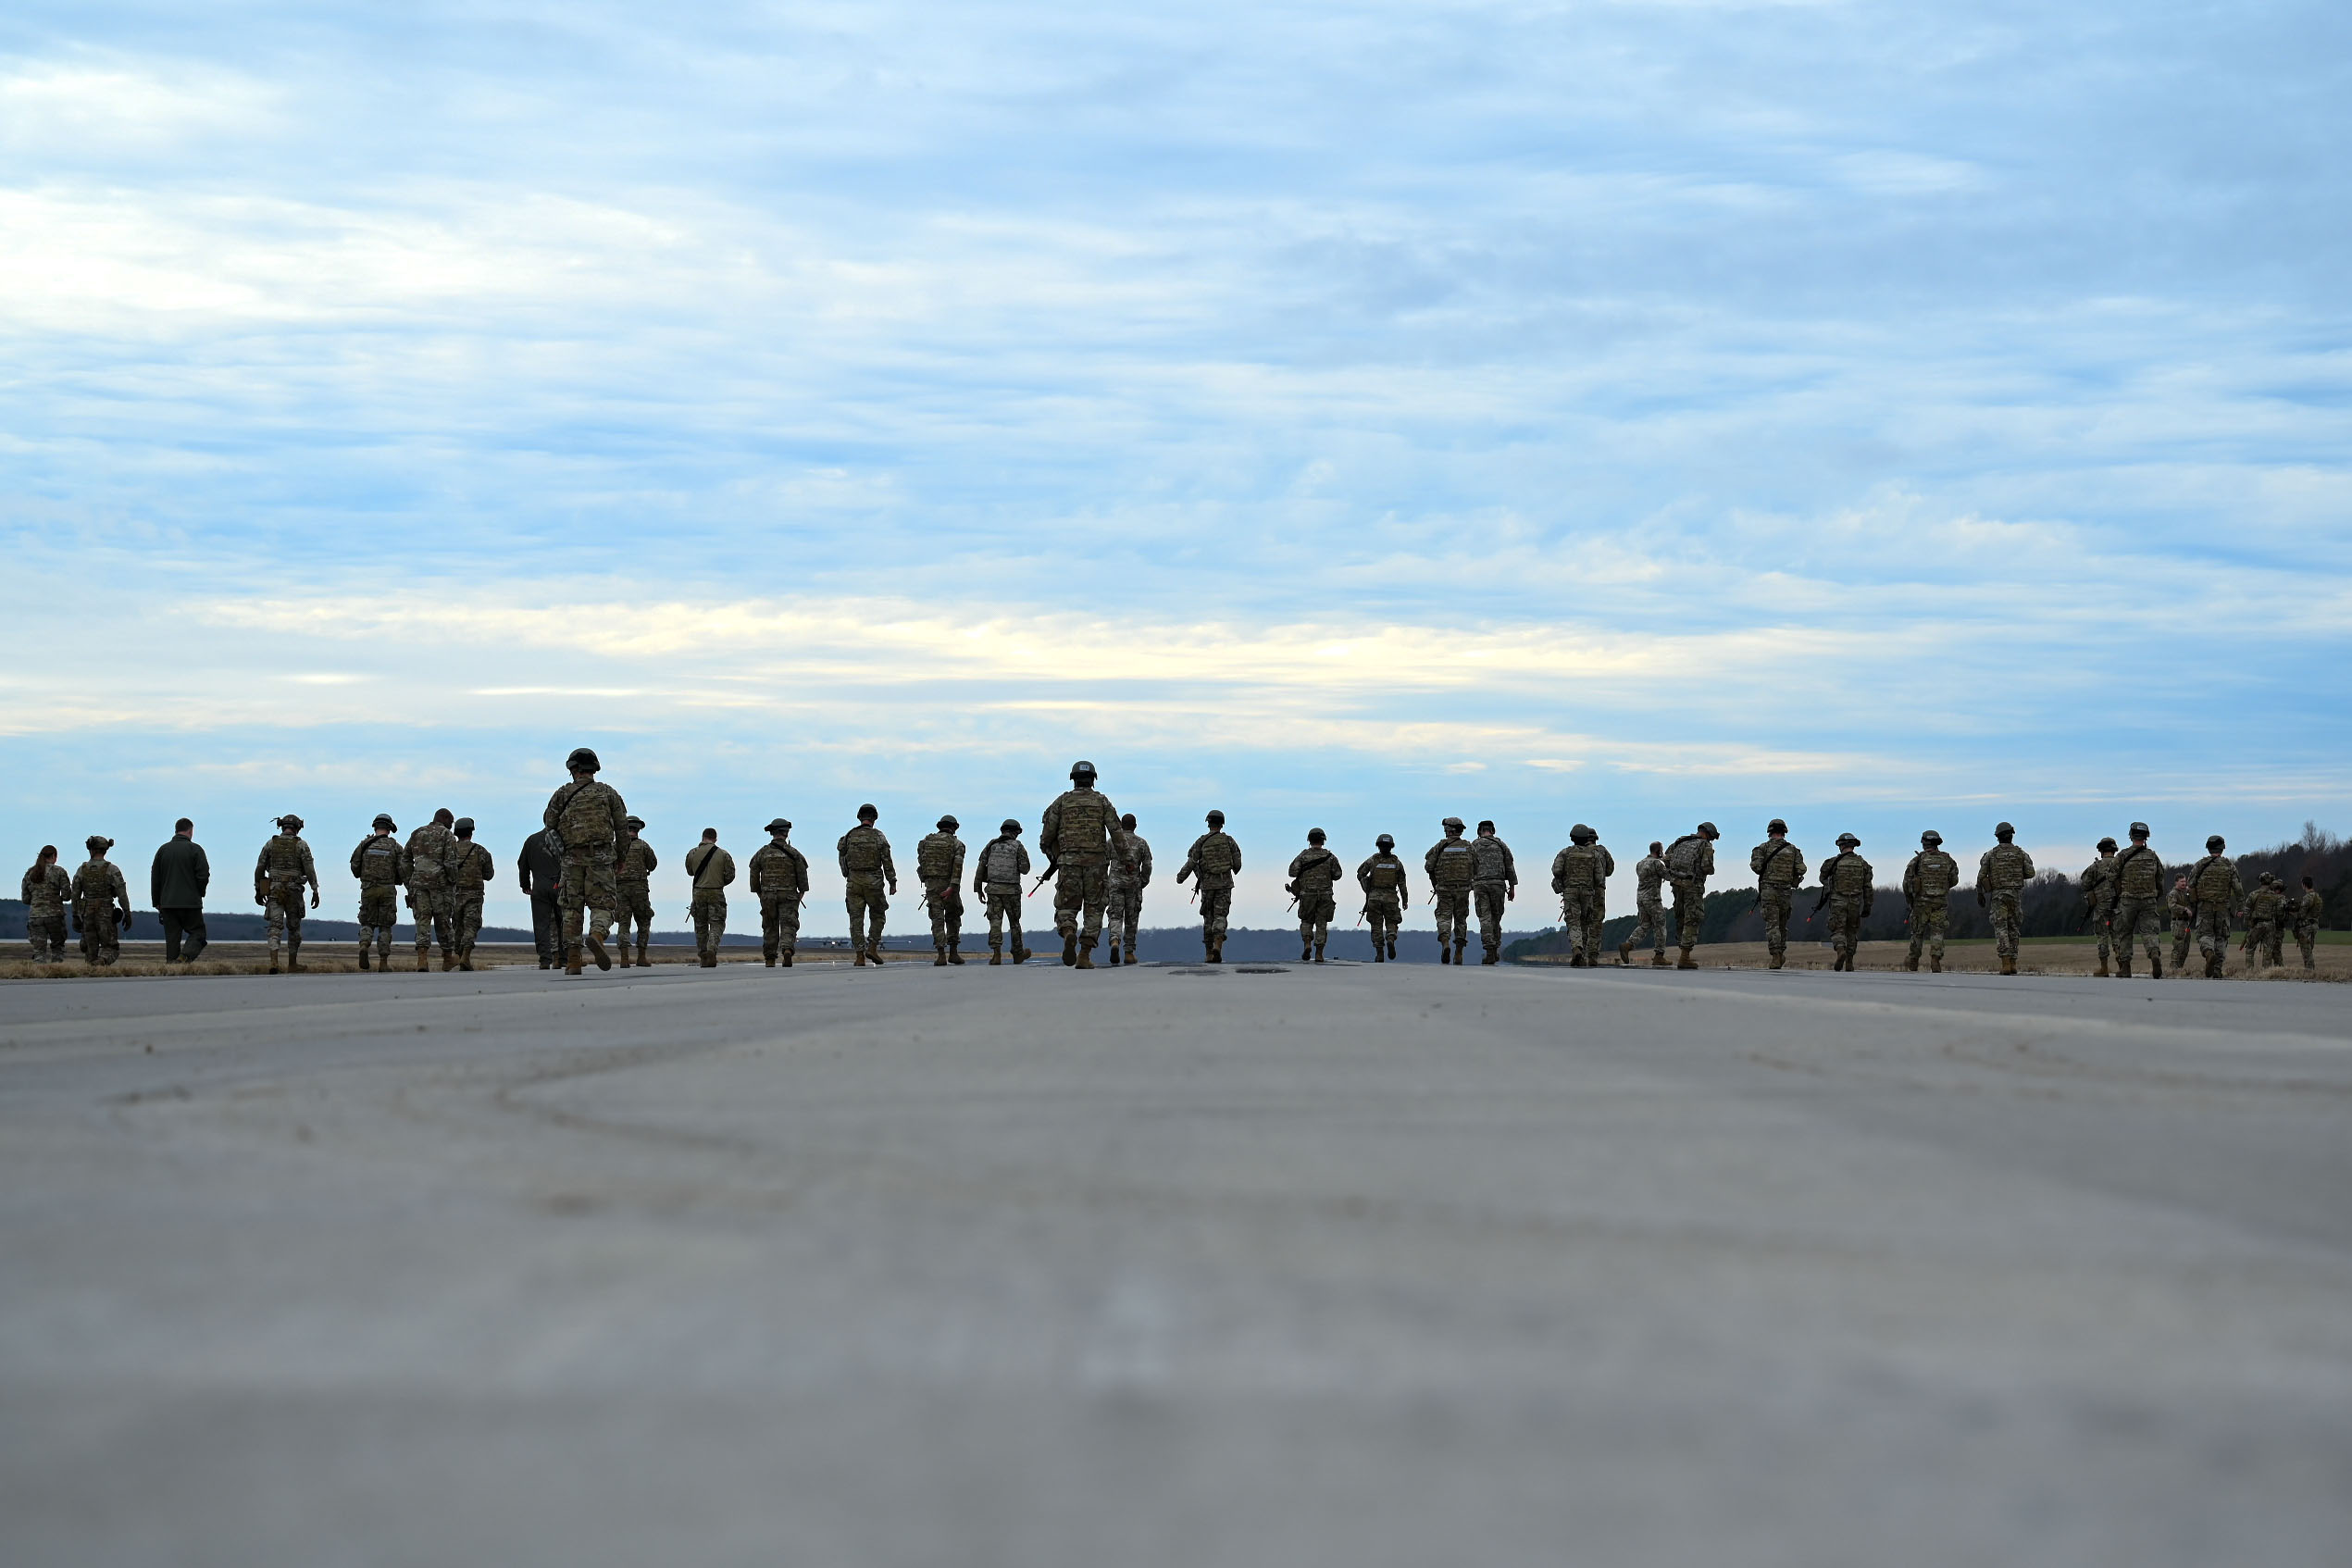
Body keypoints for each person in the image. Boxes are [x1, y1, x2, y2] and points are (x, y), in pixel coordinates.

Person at [543, 747, 627, 976]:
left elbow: (549, 822)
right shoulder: (608, 793)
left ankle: (573, 960)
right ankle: (597, 935)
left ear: (573, 769)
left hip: (571, 859)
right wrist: (621, 857)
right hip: (601, 858)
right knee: (603, 904)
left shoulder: (561, 794)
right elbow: (621, 827)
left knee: (571, 908)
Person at [1039, 761, 1130, 968]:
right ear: (1093, 780)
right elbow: (1117, 833)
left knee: (1066, 906)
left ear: (1073, 780)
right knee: (1094, 908)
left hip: (1068, 863)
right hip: (1096, 864)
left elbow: (1046, 837)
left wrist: (1055, 858)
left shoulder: (1061, 802)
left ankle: (1069, 931)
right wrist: (1127, 861)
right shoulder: (1102, 802)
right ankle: (1084, 955)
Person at [254, 815, 319, 975]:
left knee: (274, 927)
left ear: (282, 826)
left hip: (274, 889)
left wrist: (259, 889)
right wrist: (315, 889)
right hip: (294, 890)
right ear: (297, 828)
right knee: (294, 928)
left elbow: (260, 868)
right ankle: (292, 964)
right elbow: (309, 869)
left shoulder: (270, 844)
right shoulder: (302, 845)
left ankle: (274, 962)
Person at [1176, 810, 1242, 964]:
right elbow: (1238, 865)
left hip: (1207, 885)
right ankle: (1218, 944)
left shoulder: (1201, 841)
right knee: (1220, 915)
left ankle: (1208, 953)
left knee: (1208, 918)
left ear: (1208, 823)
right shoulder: (1229, 841)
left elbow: (1191, 860)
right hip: (1225, 884)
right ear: (1222, 824)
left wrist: (1181, 877)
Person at [838, 804, 896, 966]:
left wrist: (847, 874)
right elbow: (887, 861)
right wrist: (893, 882)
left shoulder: (849, 836)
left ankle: (859, 956)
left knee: (856, 920)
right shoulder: (878, 837)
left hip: (854, 882)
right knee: (878, 915)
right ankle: (872, 947)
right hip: (874, 882)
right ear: (874, 818)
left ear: (859, 817)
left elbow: (842, 857)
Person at [405, 808, 462, 972]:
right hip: (440, 886)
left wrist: (411, 881)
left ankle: (422, 960)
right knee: (443, 921)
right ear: (444, 818)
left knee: (422, 921)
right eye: (451, 821)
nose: (452, 825)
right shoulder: (447, 835)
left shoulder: (417, 833)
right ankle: (447, 958)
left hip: (419, 885)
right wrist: (452, 881)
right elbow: (450, 862)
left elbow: (405, 860)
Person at [2108, 823, 2167, 978]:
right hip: (2148, 899)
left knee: (2125, 933)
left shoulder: (2122, 855)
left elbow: (2111, 875)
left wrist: (2119, 888)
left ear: (2131, 836)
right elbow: (2160, 877)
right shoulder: (2152, 856)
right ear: (2146, 837)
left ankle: (2126, 967)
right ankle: (2154, 954)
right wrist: (2157, 893)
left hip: (2128, 900)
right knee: (2150, 931)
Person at [748, 819, 810, 967]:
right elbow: (802, 874)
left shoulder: (762, 853)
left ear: (772, 833)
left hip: (768, 895)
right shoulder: (794, 853)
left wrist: (759, 892)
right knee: (789, 924)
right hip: (788, 894)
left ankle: (770, 958)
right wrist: (801, 892)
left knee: (769, 925)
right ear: (786, 833)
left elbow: (754, 873)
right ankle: (787, 949)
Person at [1549, 825, 1612, 968]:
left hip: (1570, 891)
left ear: (1572, 838)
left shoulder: (1565, 853)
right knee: (1585, 922)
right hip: (1588, 892)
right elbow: (1600, 876)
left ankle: (1577, 948)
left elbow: (1557, 870)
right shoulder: (1595, 855)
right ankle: (1583, 954)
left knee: (1573, 922)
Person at [350, 815, 407, 971]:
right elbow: (404, 870)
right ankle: (383, 963)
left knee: (367, 922)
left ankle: (364, 946)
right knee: (385, 926)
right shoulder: (395, 847)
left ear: (375, 827)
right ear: (389, 829)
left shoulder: (364, 845)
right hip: (387, 889)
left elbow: (355, 867)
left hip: (368, 888)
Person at [1976, 822, 2035, 976]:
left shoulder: (1991, 854)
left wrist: (1980, 893)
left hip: (1998, 896)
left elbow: (1982, 875)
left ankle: (2006, 963)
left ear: (1997, 837)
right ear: (2012, 835)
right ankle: (2013, 963)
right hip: (2015, 895)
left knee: (2001, 927)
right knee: (2013, 928)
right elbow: (2030, 873)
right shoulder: (2020, 853)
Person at [150, 818, 211, 964]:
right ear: (190, 831)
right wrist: (199, 893)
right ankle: (184, 958)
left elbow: (155, 877)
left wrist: (157, 901)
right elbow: (203, 875)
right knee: (198, 932)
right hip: (191, 903)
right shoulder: (195, 850)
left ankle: (172, 967)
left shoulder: (163, 850)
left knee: (172, 938)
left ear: (176, 830)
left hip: (167, 903)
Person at [1900, 830, 1960, 972]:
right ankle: (1935, 960)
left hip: (1920, 903)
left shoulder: (1917, 861)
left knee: (1917, 933)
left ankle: (1913, 960)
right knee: (1937, 932)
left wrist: (1910, 901)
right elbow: (1954, 880)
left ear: (1923, 843)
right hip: (1940, 902)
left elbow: (1906, 884)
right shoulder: (1947, 859)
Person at [974, 819, 1032, 964]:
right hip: (1012, 891)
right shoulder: (1018, 846)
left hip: (993, 890)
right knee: (1014, 923)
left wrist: (978, 888)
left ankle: (996, 955)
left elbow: (981, 866)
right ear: (1016, 832)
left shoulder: (991, 845)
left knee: (995, 921)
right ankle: (1018, 954)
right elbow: (1025, 869)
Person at [1663, 822, 1720, 971]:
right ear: (1707, 834)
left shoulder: (1680, 841)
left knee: (1680, 916)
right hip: (1693, 885)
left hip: (1676, 884)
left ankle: (1683, 951)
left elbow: (1666, 860)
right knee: (1693, 918)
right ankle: (1685, 957)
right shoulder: (1705, 846)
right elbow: (1707, 867)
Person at [2184, 834, 2240, 979]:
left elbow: (2190, 886)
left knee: (2204, 935)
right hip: (2223, 907)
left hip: (2204, 907)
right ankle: (2217, 969)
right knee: (2221, 938)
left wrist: (2194, 903)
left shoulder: (2200, 865)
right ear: (2222, 849)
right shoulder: (2229, 866)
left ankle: (2209, 953)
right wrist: (2239, 907)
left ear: (2208, 848)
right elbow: (2238, 889)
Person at [72, 836, 132, 967]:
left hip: (87, 914)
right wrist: (127, 913)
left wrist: (75, 916)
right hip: (105, 914)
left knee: (90, 949)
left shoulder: (82, 870)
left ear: (91, 849)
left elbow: (75, 895)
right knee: (111, 947)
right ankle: (100, 963)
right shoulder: (112, 870)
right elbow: (121, 893)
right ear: (105, 850)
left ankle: (92, 971)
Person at [1817, 833, 1873, 972]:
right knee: (1852, 932)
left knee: (1837, 930)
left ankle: (1840, 950)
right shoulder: (1863, 864)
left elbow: (1822, 878)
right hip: (1855, 902)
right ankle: (1849, 962)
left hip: (1838, 901)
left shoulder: (1832, 862)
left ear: (1840, 845)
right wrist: (1867, 905)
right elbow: (1868, 887)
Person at [917, 815, 968, 965]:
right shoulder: (957, 844)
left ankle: (941, 955)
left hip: (932, 886)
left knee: (937, 919)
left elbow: (922, 862)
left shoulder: (925, 842)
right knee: (953, 917)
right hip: (949, 886)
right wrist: (952, 887)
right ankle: (953, 953)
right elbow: (958, 866)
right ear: (954, 828)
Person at [1424, 817, 1476, 964]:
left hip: (1444, 889)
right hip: (1463, 889)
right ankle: (1459, 952)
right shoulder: (1469, 847)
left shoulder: (1440, 847)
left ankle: (1445, 943)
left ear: (1448, 830)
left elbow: (1428, 867)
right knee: (1461, 919)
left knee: (1444, 918)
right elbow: (1477, 868)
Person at [1288, 828, 1343, 963]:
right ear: (1323, 840)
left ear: (1309, 840)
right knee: (1321, 923)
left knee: (1306, 920)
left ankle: (1307, 943)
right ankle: (1319, 954)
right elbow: (1338, 875)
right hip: (1325, 895)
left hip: (1307, 895)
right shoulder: (1330, 857)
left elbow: (1292, 872)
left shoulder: (1303, 856)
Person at [1467, 821, 1519, 965]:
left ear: (1479, 831)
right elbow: (1510, 866)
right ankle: (1494, 948)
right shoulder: (1501, 845)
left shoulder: (1473, 846)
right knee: (1496, 917)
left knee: (1484, 917)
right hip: (1498, 885)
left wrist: (1468, 884)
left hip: (1480, 885)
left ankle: (1490, 948)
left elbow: (1468, 866)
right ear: (1493, 830)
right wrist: (1512, 887)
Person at [447, 818, 495, 971]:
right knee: (471, 926)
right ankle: (465, 957)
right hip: (474, 895)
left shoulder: (449, 850)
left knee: (457, 927)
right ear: (471, 832)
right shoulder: (480, 851)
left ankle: (459, 955)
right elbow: (489, 875)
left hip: (453, 895)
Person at [1106, 814, 1152, 966]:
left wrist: (1106, 882)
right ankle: (1129, 953)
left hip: (1115, 884)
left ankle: (1114, 941)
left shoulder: (1112, 842)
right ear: (1135, 826)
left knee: (1115, 914)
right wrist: (1142, 882)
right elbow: (1147, 866)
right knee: (1131, 918)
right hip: (1133, 885)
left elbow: (1103, 862)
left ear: (1120, 825)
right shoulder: (1141, 843)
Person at [613, 817, 659, 967]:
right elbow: (652, 864)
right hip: (639, 889)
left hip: (620, 889)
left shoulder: (615, 846)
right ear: (638, 830)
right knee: (644, 921)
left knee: (623, 922)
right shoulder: (643, 846)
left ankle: (624, 958)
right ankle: (641, 956)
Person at [686, 828, 735, 968]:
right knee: (717, 923)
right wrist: (718, 881)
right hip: (716, 892)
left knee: (700, 925)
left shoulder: (692, 853)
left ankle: (703, 956)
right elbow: (730, 875)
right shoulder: (723, 854)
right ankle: (711, 949)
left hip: (698, 893)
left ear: (702, 837)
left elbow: (690, 872)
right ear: (715, 839)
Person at [1357, 834, 1409, 962]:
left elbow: (1360, 873)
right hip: (1391, 897)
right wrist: (1405, 900)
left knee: (1376, 925)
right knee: (1392, 922)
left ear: (1378, 846)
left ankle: (1379, 952)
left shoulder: (1372, 860)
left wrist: (1366, 886)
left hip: (1374, 897)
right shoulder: (1397, 863)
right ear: (1392, 847)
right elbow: (1402, 883)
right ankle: (1390, 938)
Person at [516, 827, 563, 969]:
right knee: (565, 922)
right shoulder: (563, 838)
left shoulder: (531, 840)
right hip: (560, 885)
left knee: (541, 924)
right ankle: (564, 957)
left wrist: (525, 883)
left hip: (539, 886)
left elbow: (522, 863)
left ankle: (544, 959)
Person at [1618, 841, 1670, 967]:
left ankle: (1628, 945)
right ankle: (1659, 955)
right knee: (1660, 925)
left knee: (1644, 925)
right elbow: (1668, 876)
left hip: (1641, 898)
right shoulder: (1657, 863)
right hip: (1653, 899)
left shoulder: (1640, 864)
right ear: (1658, 851)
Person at [20, 846, 71, 963]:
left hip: (36, 917)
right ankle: (56, 972)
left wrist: (37, 900)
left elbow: (25, 899)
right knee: (58, 949)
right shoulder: (59, 872)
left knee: (39, 951)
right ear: (53, 856)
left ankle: (39, 974)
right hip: (55, 916)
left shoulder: (30, 873)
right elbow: (66, 896)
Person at [2081, 837, 2119, 977]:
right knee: (2118, 936)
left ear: (2101, 851)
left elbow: (2085, 884)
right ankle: (2122, 966)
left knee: (2102, 936)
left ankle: (2104, 968)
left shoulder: (2095, 867)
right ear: (2114, 850)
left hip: (2101, 907)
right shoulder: (2119, 864)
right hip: (2118, 905)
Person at [2244, 873, 2284, 970]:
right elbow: (2280, 914)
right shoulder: (2275, 897)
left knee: (2250, 948)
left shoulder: (2253, 894)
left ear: (2260, 881)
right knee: (2268, 950)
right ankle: (2266, 972)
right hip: (2270, 925)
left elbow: (2246, 911)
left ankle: (2249, 972)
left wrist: (2248, 923)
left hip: (2256, 925)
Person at [2291, 876, 2324, 971]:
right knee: (2310, 950)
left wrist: (2291, 911)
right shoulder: (2318, 897)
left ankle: (2309, 972)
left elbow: (2301, 914)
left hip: (2306, 927)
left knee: (2306, 952)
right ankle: (2311, 970)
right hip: (2315, 925)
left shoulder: (2307, 897)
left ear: (2304, 885)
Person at [2168, 876, 2196, 974]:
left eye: (2185, 881)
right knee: (2178, 946)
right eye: (2182, 882)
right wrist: (2184, 909)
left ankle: (2179, 968)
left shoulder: (2186, 893)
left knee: (2185, 948)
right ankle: (2173, 968)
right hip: (2178, 922)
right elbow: (2172, 906)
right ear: (2176, 882)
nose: (2184, 883)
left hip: (2186, 923)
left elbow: (2192, 903)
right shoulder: (2173, 893)